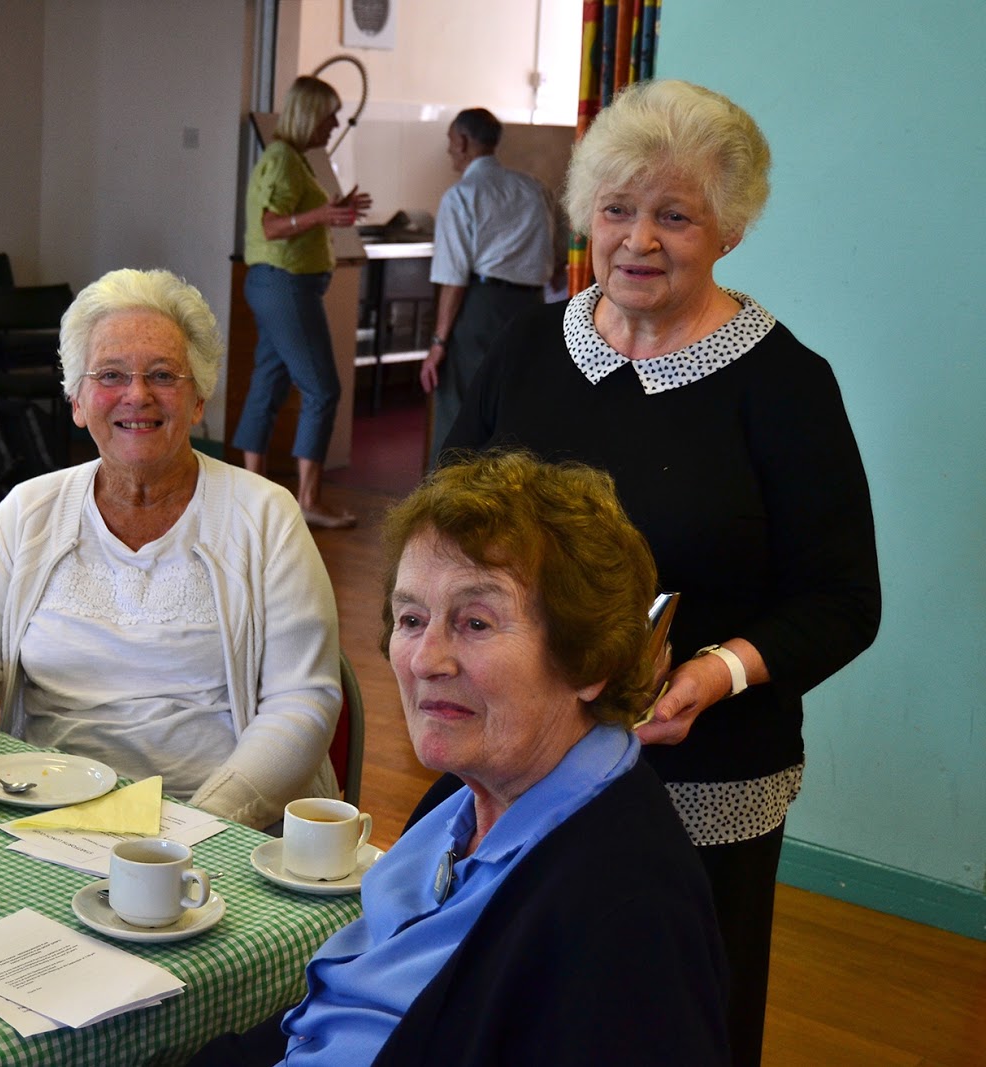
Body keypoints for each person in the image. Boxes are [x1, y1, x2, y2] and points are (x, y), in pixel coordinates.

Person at [441, 80, 881, 1066]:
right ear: (585, 216)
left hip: (699, 779)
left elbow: (844, 601)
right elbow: (448, 525)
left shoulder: (786, 386)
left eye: (674, 216)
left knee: (671, 1029)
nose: (638, 239)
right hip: (514, 761)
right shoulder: (527, 347)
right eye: (617, 209)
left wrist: (717, 672)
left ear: (728, 229)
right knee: (505, 1018)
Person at [193, 451, 729, 1066]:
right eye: (411, 618)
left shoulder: (628, 908)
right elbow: (340, 1011)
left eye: (476, 622)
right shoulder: (460, 802)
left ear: (591, 662)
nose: (426, 659)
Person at [0, 269, 341, 830]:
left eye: (163, 375)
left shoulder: (265, 516)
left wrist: (199, 824)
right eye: (110, 375)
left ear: (198, 399)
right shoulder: (29, 509)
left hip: (219, 820)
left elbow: (303, 703)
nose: (137, 395)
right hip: (43, 810)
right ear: (77, 400)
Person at [232, 76, 372, 529]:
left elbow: (293, 219)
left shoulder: (294, 159)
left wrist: (331, 211)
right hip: (285, 287)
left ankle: (251, 495)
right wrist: (321, 214)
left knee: (269, 384)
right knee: (322, 389)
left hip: (280, 285)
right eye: (330, 116)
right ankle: (308, 499)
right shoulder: (281, 159)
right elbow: (271, 225)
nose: (334, 124)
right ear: (310, 115)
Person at [418, 108, 554, 448]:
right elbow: (560, 252)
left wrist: (438, 343)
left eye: (450, 140)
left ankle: (452, 482)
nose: (449, 149)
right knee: (515, 406)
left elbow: (454, 279)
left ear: (463, 142)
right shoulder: (534, 188)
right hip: (532, 308)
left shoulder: (461, 196)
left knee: (462, 407)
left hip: (480, 308)